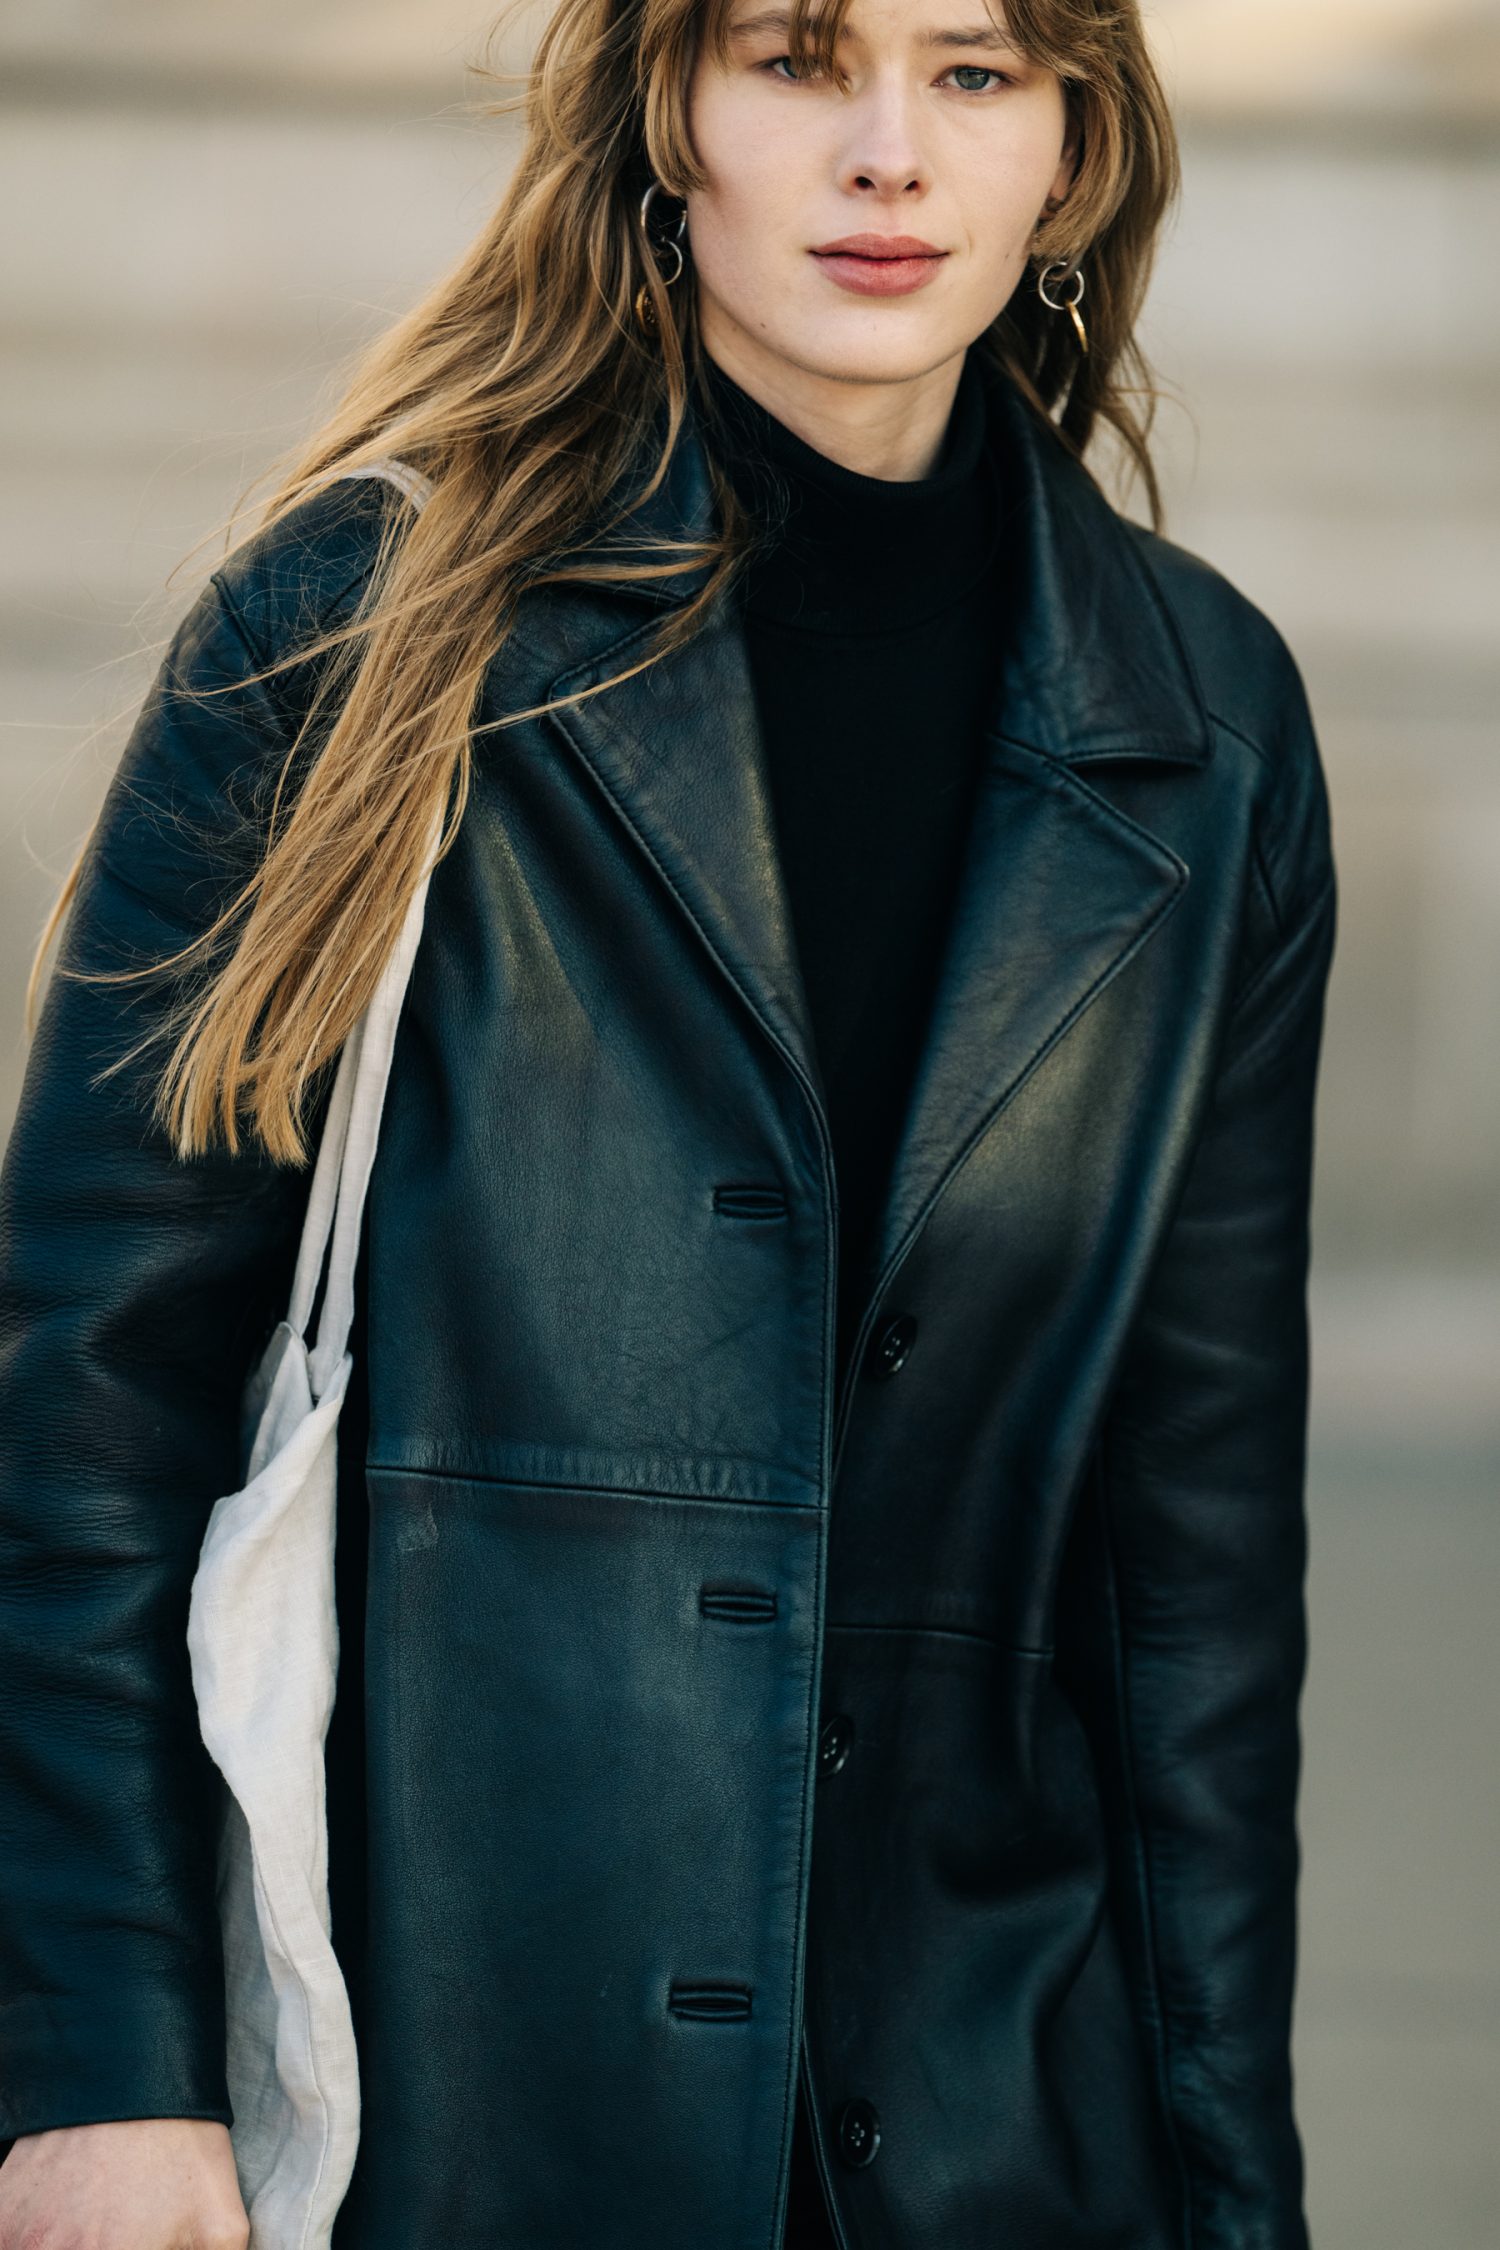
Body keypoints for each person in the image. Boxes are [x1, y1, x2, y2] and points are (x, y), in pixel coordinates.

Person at [0, 0, 1338, 2243]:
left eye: (977, 73)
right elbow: (85, 1401)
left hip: (997, 2111)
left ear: (1076, 150)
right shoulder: (364, 624)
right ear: (666, 120)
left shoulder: (1203, 727)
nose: (889, 155)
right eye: (799, 61)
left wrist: (1230, 2184)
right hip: (448, 2085)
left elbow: (1194, 1576)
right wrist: (96, 2070)